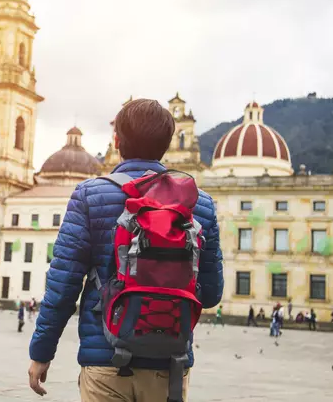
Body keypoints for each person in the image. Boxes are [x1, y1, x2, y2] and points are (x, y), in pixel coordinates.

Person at [28, 99, 224, 400]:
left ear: (117, 141)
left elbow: (63, 283)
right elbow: (210, 294)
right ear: (167, 143)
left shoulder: (88, 195)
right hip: (170, 363)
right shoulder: (201, 203)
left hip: (105, 360)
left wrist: (42, 350)